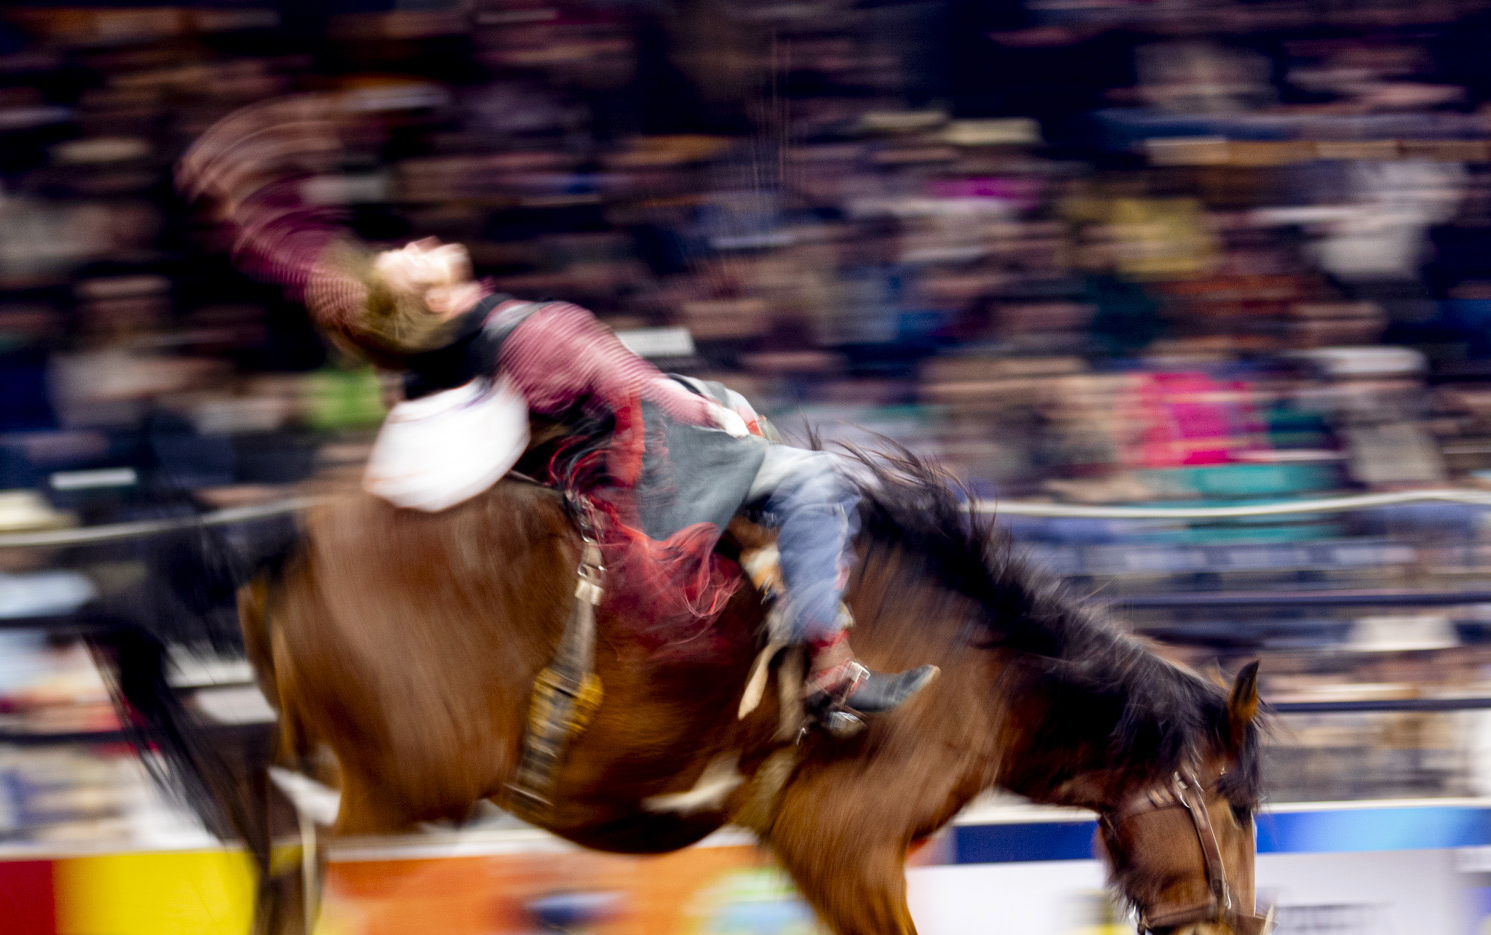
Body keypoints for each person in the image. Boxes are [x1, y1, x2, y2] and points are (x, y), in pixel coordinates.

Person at [178, 97, 934, 720]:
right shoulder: (543, 335)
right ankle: (831, 663)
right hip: (628, 472)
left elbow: (311, 264)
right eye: (411, 258)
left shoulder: (403, 330)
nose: (416, 241)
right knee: (816, 478)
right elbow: (648, 394)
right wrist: (728, 422)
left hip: (547, 462)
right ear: (435, 297)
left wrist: (245, 207)